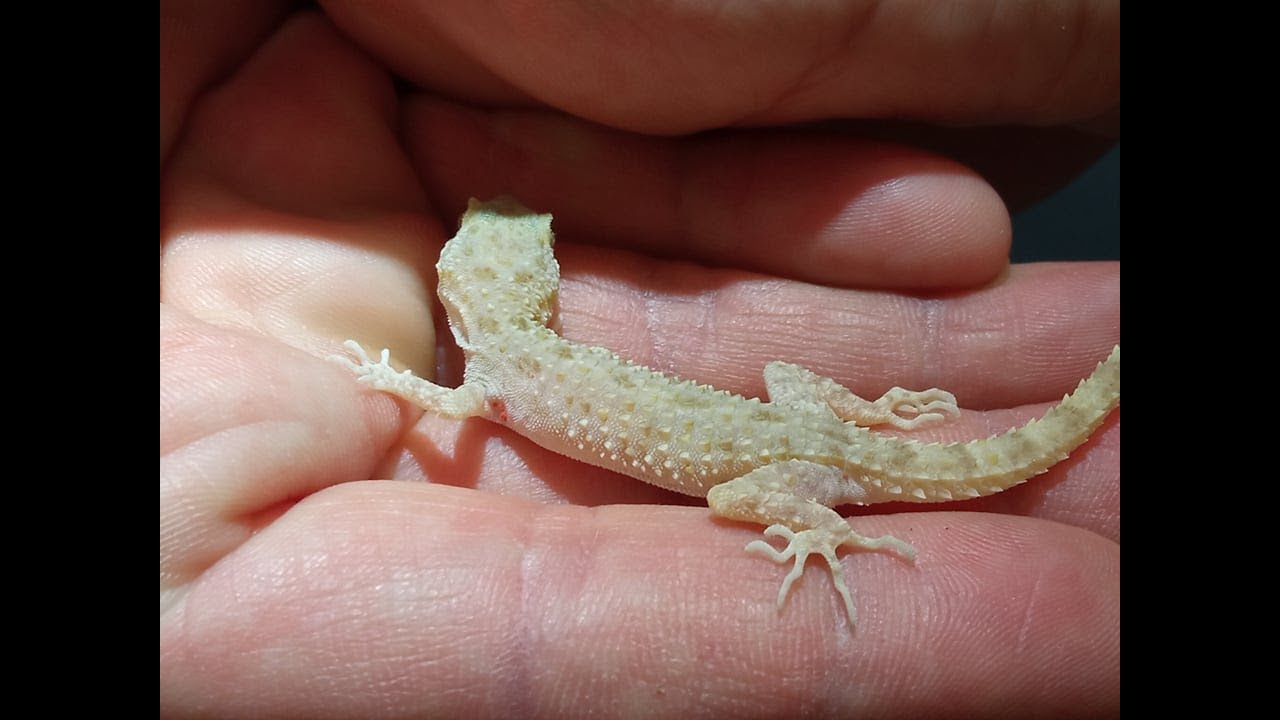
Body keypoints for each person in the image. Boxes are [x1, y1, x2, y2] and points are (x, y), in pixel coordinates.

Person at [160, 3, 1119, 716]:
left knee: (735, 500)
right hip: (806, 429)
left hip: (802, 460)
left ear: (464, 289)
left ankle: (818, 514)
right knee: (788, 391)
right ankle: (860, 432)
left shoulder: (493, 379)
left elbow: (428, 401)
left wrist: (382, 379)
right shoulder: (513, 368)